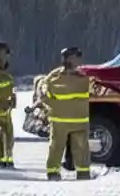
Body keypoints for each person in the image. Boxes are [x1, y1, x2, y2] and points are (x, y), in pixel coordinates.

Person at [42, 46, 92, 180]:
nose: (80, 60)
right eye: (77, 57)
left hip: (65, 120)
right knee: (79, 148)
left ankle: (54, 172)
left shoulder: (53, 77)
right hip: (74, 120)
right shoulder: (84, 78)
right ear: (70, 58)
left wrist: (54, 107)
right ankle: (83, 173)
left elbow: (44, 95)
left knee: (57, 147)